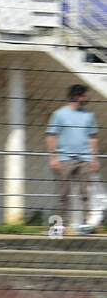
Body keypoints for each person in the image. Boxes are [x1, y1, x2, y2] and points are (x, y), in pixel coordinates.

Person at [46, 83, 100, 234]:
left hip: (84, 158)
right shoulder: (59, 114)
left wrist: (94, 158)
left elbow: (93, 137)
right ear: (77, 96)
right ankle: (59, 225)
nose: (87, 98)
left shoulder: (89, 116)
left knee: (85, 193)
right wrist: (53, 157)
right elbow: (51, 136)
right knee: (63, 193)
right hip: (64, 158)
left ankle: (84, 224)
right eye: (84, 95)